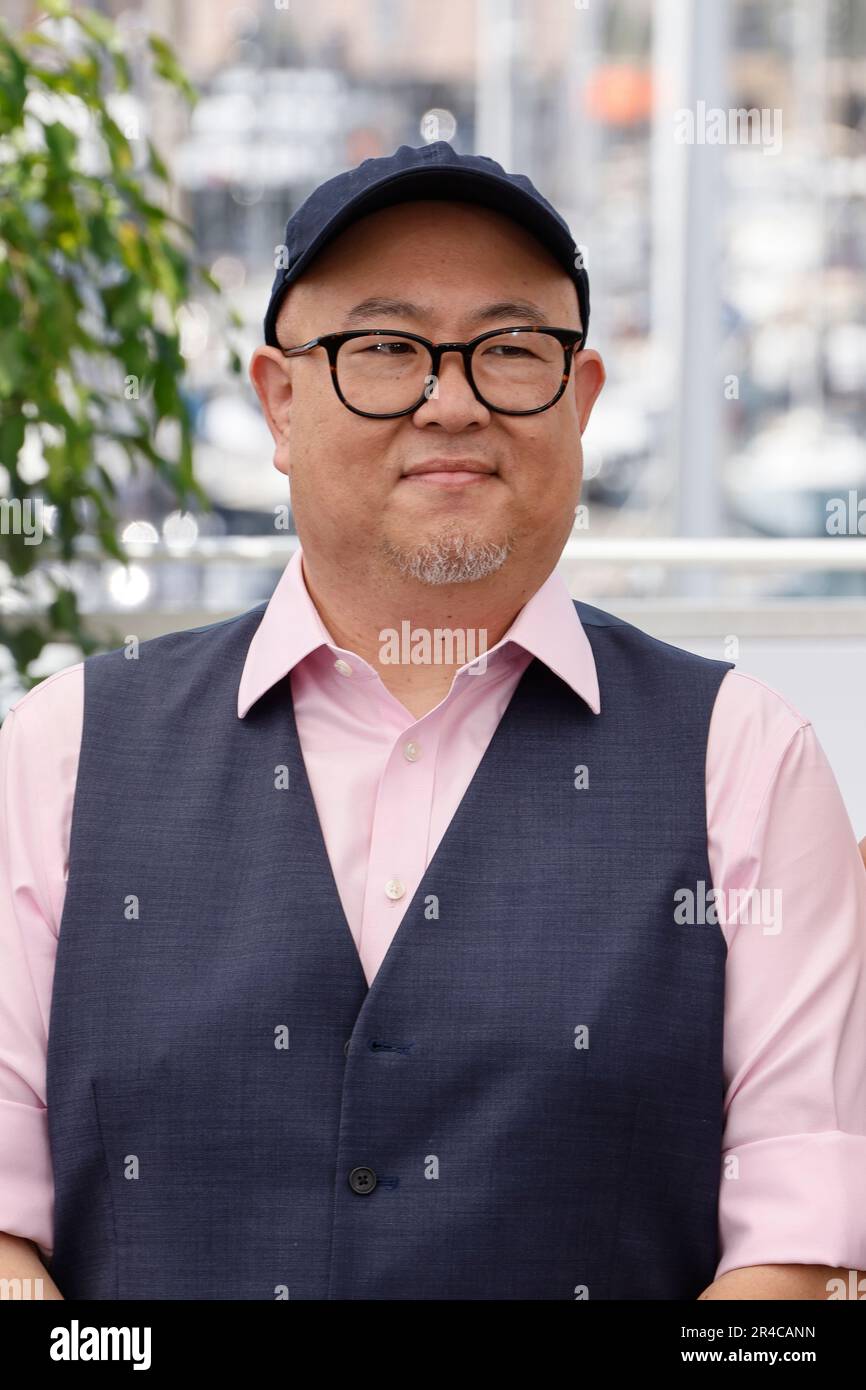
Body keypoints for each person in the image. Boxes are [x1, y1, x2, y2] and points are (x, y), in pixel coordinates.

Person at [1, 142, 865, 1301]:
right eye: (383, 348)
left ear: (581, 397)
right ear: (279, 399)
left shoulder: (745, 759)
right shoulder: (64, 751)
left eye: (511, 350)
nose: (448, 399)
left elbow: (796, 1261)